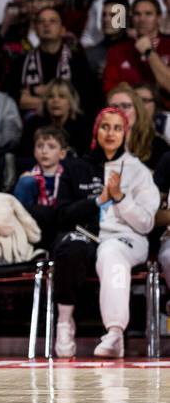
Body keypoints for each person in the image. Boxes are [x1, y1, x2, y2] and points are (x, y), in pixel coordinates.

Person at [52, 107, 158, 359]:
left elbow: (145, 223)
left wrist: (120, 198)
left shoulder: (139, 171)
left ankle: (115, 333)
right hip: (88, 234)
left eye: (117, 128)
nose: (111, 133)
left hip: (127, 237)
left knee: (111, 253)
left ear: (126, 134)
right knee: (68, 247)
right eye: (105, 127)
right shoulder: (76, 167)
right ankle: (64, 324)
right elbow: (62, 215)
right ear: (95, 130)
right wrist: (98, 201)